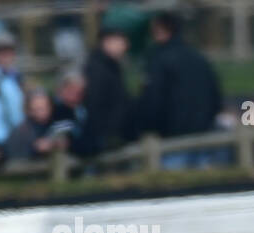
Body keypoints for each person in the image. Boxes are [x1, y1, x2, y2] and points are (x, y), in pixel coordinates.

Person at [132, 11, 224, 168]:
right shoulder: (199, 58)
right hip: (203, 135)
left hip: (171, 139)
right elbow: (216, 97)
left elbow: (152, 100)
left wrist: (145, 127)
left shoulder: (158, 60)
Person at [82, 26, 132, 152]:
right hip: (106, 138)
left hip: (116, 135)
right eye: (122, 42)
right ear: (107, 41)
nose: (125, 47)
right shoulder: (97, 69)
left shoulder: (113, 67)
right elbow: (94, 103)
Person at [5, 89, 68, 162]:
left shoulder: (57, 124)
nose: (42, 112)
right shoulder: (21, 132)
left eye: (44, 107)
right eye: (37, 109)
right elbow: (14, 155)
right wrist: (36, 149)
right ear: (28, 110)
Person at [0, 36, 26, 139]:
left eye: (9, 52)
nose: (6, 56)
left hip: (15, 136)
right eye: (1, 52)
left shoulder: (19, 78)